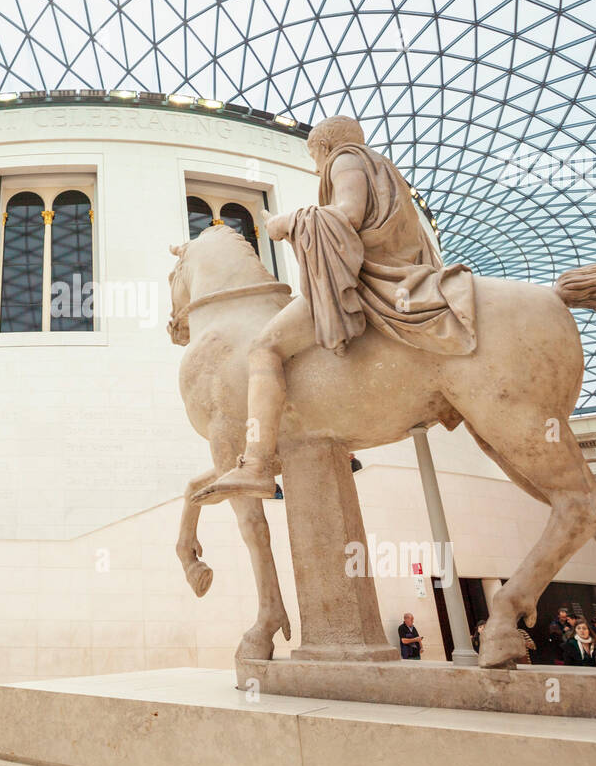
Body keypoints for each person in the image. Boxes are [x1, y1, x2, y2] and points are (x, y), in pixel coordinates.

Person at [192, 115, 476, 504]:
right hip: (408, 275)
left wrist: (286, 222)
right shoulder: (385, 170)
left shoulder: (345, 160)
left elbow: (348, 214)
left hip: (374, 283)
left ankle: (256, 463)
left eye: (314, 156)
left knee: (265, 348)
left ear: (325, 147)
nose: (315, 166)